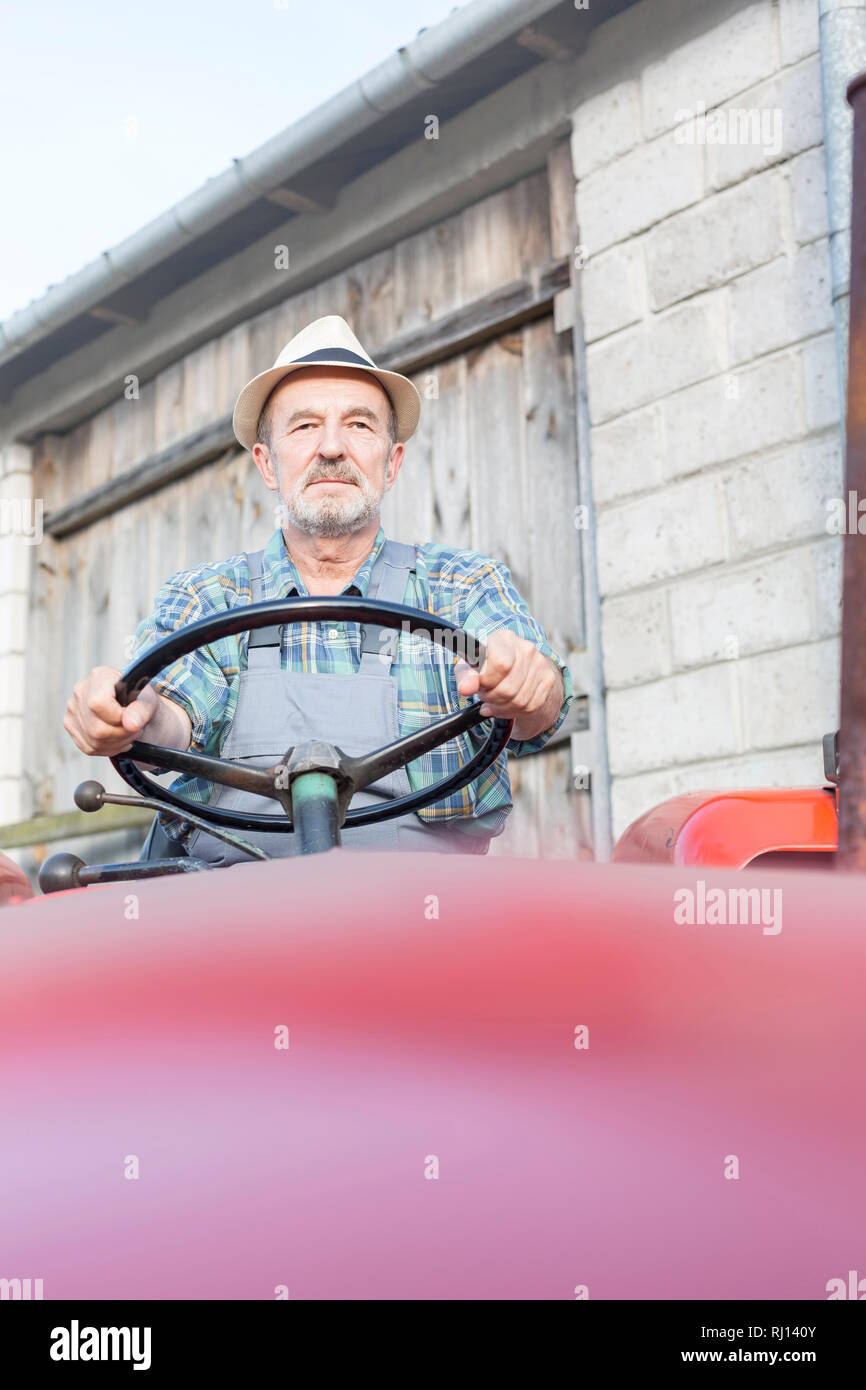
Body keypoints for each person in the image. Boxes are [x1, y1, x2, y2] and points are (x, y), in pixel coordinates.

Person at [64, 315, 574, 859]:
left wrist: (528, 682)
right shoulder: (206, 599)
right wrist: (129, 714)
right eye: (305, 426)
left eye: (359, 425)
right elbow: (169, 719)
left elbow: (537, 711)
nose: (332, 446)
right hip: (233, 928)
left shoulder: (461, 586)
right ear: (266, 463)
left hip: (426, 924)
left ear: (392, 461)